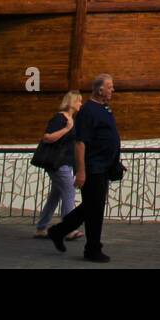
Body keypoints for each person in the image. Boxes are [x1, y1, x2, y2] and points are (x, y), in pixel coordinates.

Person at [47, 74, 121, 263]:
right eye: (110, 87)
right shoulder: (88, 111)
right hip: (93, 167)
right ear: (99, 90)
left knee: (91, 207)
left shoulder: (104, 109)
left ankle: (58, 231)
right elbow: (80, 143)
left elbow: (107, 137)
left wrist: (114, 161)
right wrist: (81, 171)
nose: (113, 90)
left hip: (103, 166)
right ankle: (92, 248)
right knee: (94, 210)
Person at [34, 91, 84, 241]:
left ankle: (41, 228)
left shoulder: (71, 120)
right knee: (69, 191)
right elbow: (47, 137)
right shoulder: (60, 118)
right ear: (72, 102)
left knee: (55, 195)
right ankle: (68, 229)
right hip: (58, 163)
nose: (81, 104)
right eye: (79, 101)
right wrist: (66, 129)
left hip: (65, 163)